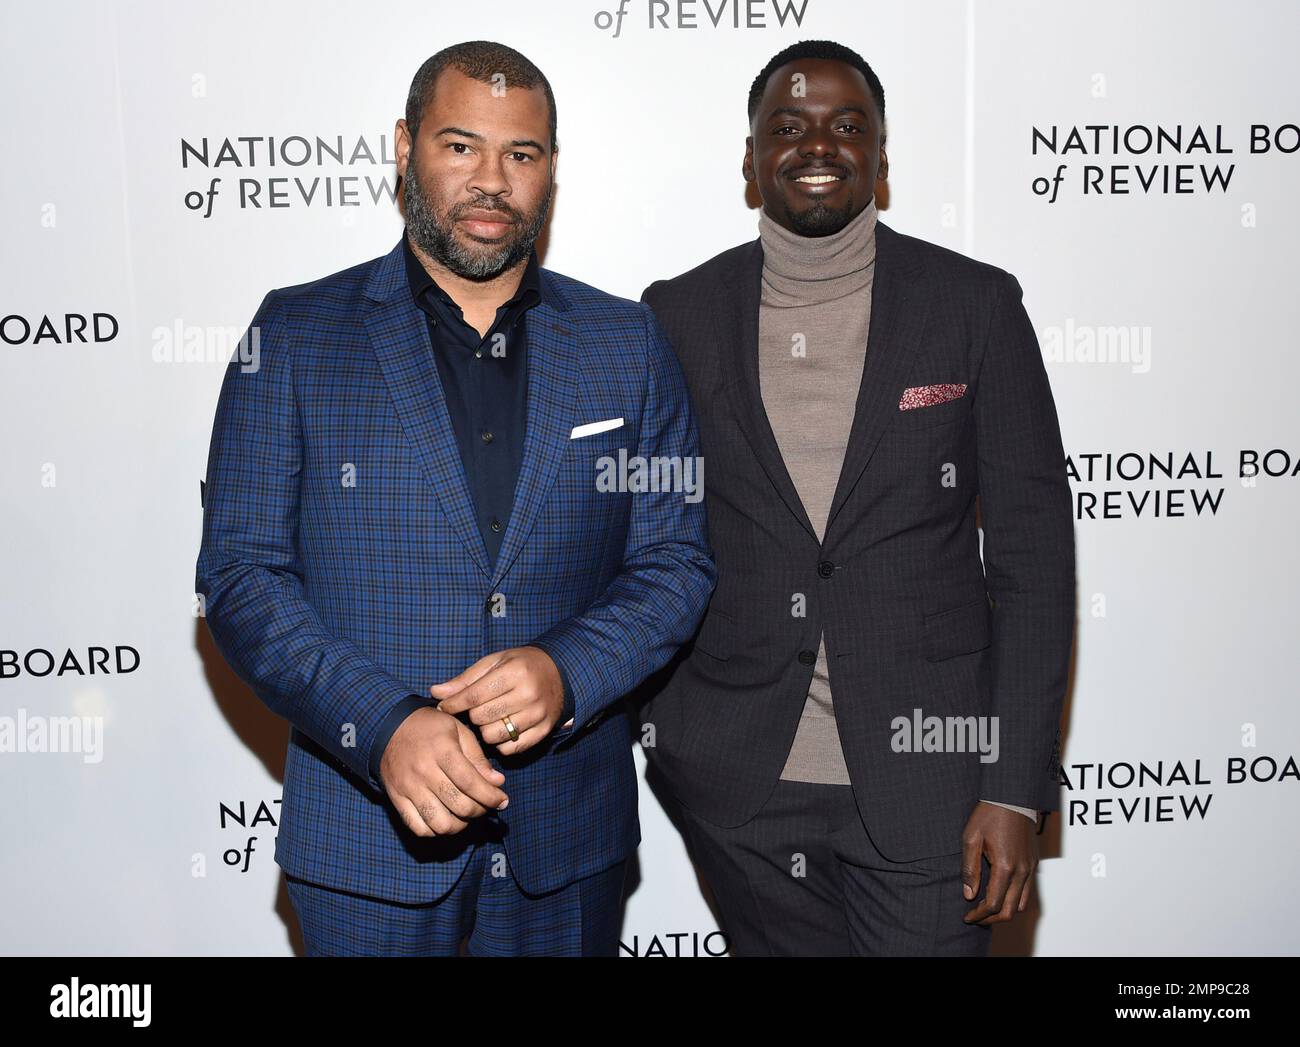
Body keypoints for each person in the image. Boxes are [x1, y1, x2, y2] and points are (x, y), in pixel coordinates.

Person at [196, 39, 714, 956]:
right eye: (461, 145)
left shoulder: (626, 341)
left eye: (522, 153)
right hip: (364, 840)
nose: (492, 181)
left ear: (551, 168)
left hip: (566, 839)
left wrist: (569, 671)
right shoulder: (295, 334)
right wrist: (383, 725)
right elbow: (242, 574)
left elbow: (674, 562)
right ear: (405, 148)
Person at [639, 39, 1075, 956]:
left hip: (933, 783)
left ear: (881, 157)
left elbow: (1035, 563)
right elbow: (647, 539)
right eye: (787, 127)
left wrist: (1013, 787)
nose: (817, 145)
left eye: (847, 125)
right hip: (743, 789)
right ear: (750, 162)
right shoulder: (677, 315)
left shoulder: (975, 305)